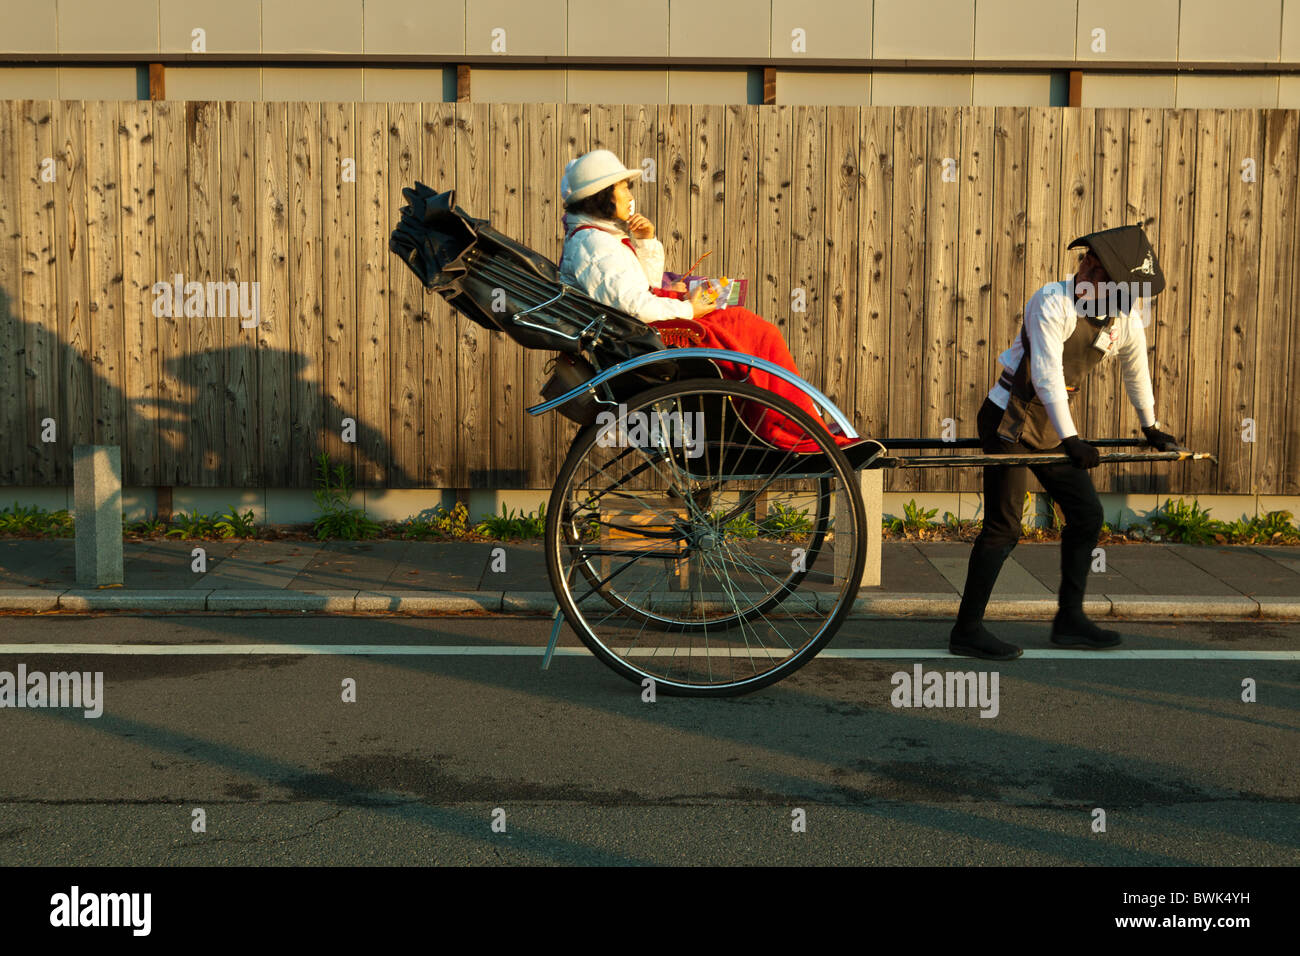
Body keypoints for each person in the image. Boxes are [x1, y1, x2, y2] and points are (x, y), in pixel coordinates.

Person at [950, 225, 1185, 661]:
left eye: (1096, 271)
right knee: (1004, 528)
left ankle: (1069, 619)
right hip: (1011, 416)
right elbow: (1045, 374)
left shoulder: (1124, 319)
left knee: (1086, 513)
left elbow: (1136, 370)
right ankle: (966, 629)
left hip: (1053, 423)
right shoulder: (1052, 301)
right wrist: (1073, 438)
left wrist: (1150, 427)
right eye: (1085, 264)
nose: (1084, 274)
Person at [557, 149, 852, 451]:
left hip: (645, 332)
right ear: (604, 195)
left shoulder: (596, 238)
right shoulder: (593, 243)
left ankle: (793, 422)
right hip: (650, 338)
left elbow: (636, 290)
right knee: (760, 334)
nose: (629, 195)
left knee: (755, 331)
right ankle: (789, 427)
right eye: (624, 187)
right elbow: (633, 305)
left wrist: (645, 242)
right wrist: (689, 308)